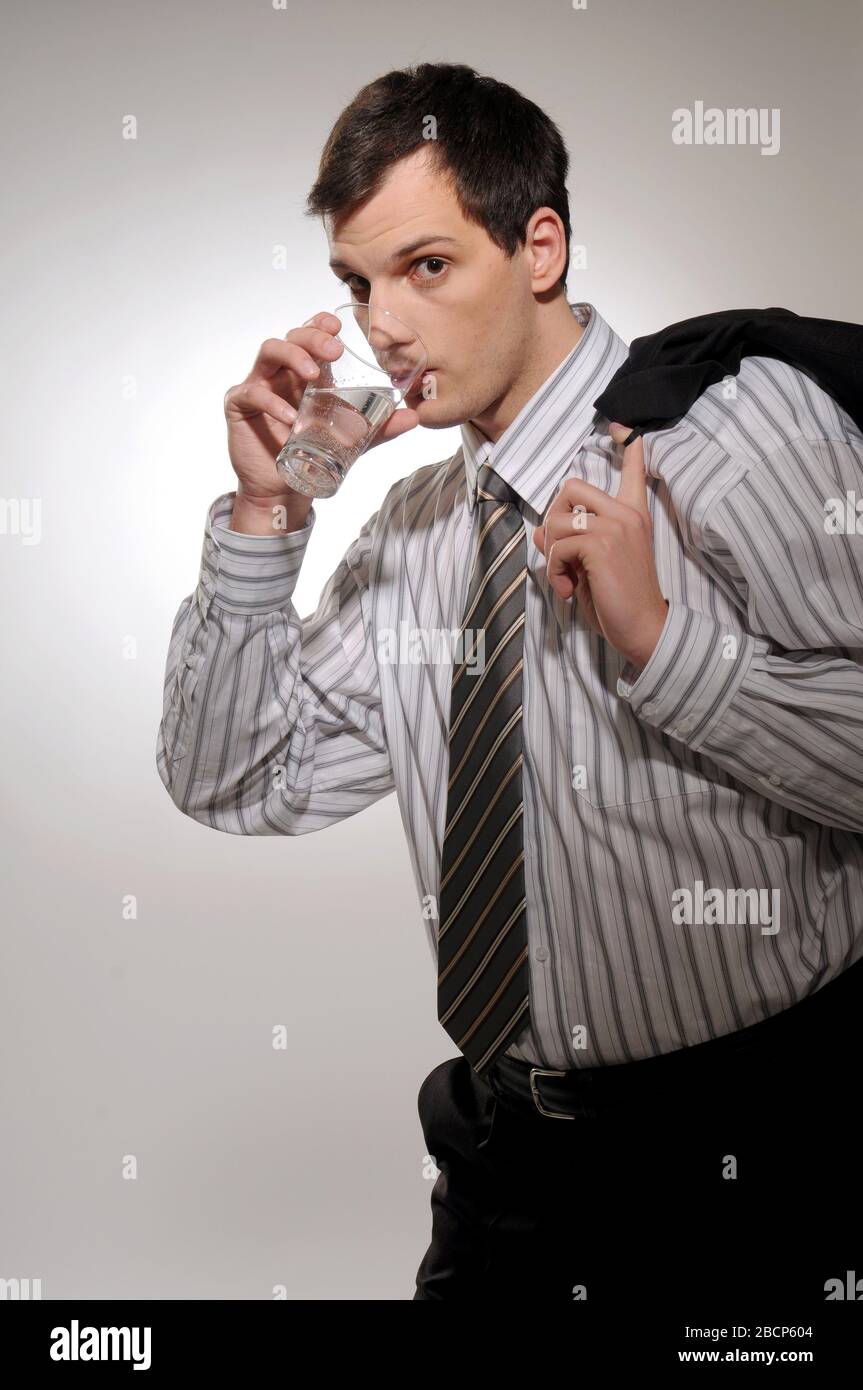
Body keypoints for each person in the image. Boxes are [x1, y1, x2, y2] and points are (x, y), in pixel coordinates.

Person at [156, 62, 863, 1309]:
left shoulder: (735, 436)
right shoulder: (415, 533)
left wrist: (660, 645)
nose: (382, 325)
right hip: (506, 1169)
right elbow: (234, 779)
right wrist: (267, 521)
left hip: (764, 1157)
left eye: (426, 267)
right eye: (356, 283)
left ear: (539, 247)